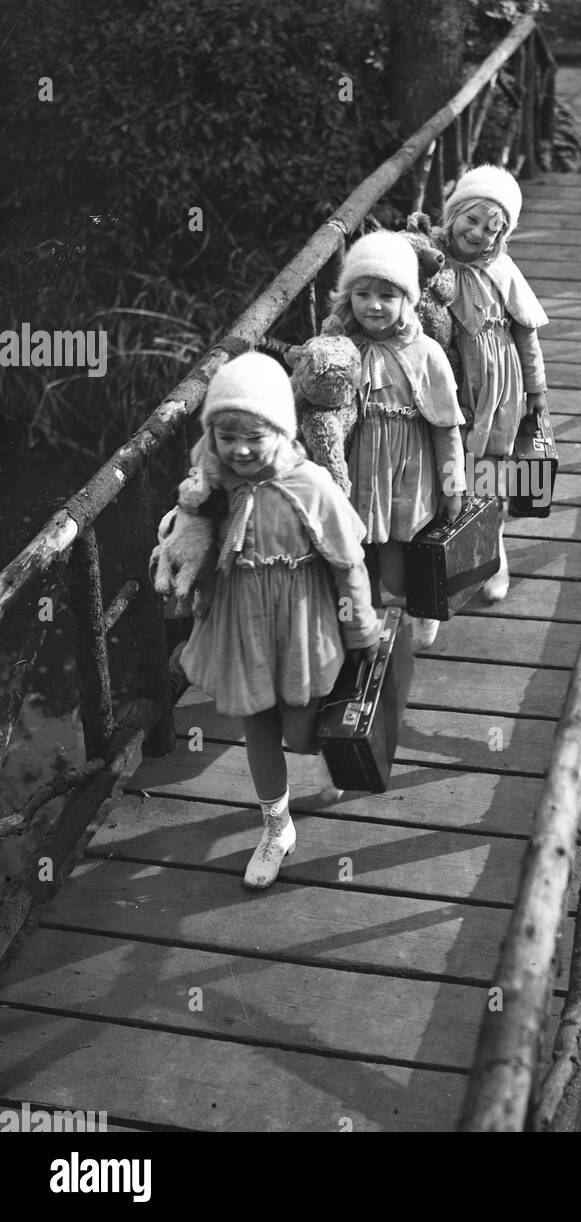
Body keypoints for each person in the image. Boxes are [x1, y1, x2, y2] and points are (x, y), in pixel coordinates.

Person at [178, 351, 380, 890]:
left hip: (302, 623)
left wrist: (360, 628)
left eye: (254, 435)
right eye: (226, 436)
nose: (239, 449)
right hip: (241, 623)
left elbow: (347, 560)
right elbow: (190, 532)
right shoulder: (213, 485)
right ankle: (276, 827)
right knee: (257, 727)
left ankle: (328, 760)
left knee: (302, 731)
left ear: (281, 430)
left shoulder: (310, 484)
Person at [325, 229, 465, 647]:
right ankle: (366, 634)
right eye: (363, 294)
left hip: (406, 468)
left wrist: (452, 481)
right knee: (358, 554)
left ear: (408, 300)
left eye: (388, 296)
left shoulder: (425, 353)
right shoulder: (342, 347)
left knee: (396, 563)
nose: (374, 306)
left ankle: (416, 606)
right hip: (359, 464)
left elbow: (446, 426)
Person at [436, 164, 549, 601]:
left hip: (499, 382)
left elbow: (526, 329)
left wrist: (536, 388)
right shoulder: (432, 262)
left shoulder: (501, 269)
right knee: (449, 465)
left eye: (491, 229)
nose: (479, 233)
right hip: (452, 379)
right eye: (472, 220)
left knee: (492, 469)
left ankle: (493, 549)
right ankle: (449, 555)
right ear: (454, 214)